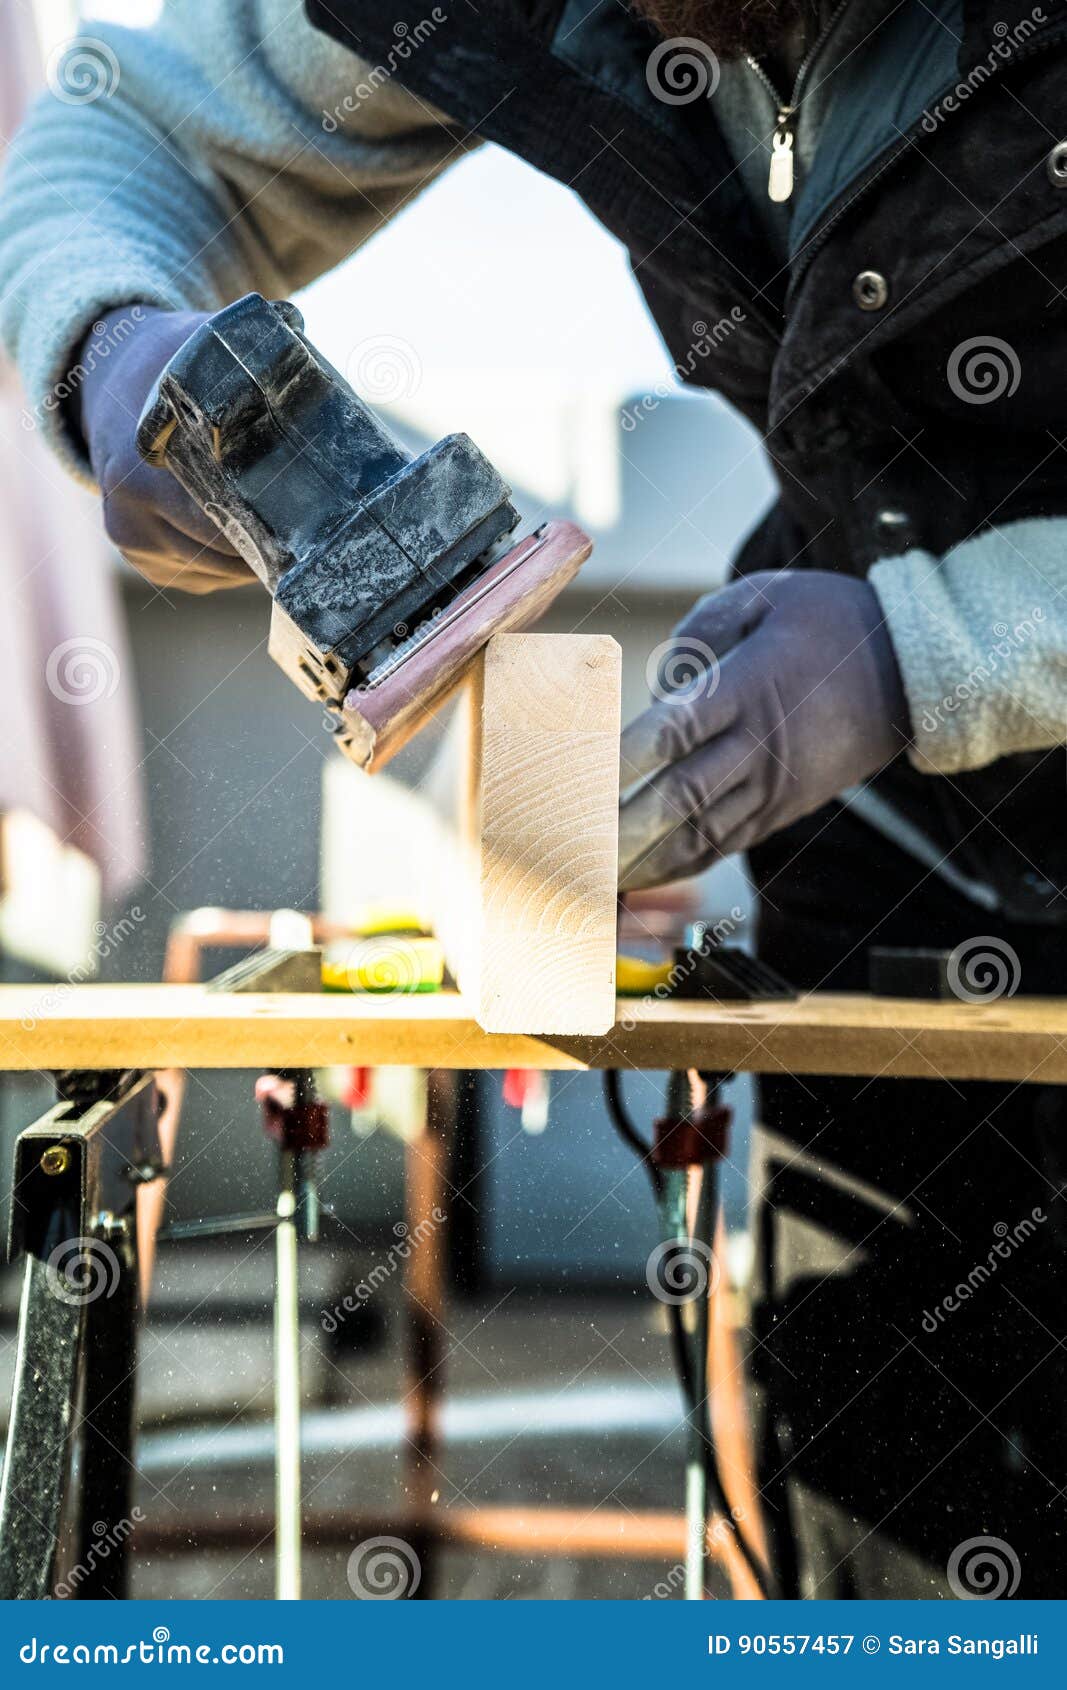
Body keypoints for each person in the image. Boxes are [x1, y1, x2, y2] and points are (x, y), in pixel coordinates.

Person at [2, 0, 1066, 1598]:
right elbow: (121, 129)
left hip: (906, 696)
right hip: (901, 845)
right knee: (902, 1544)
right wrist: (116, 351)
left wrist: (949, 644)